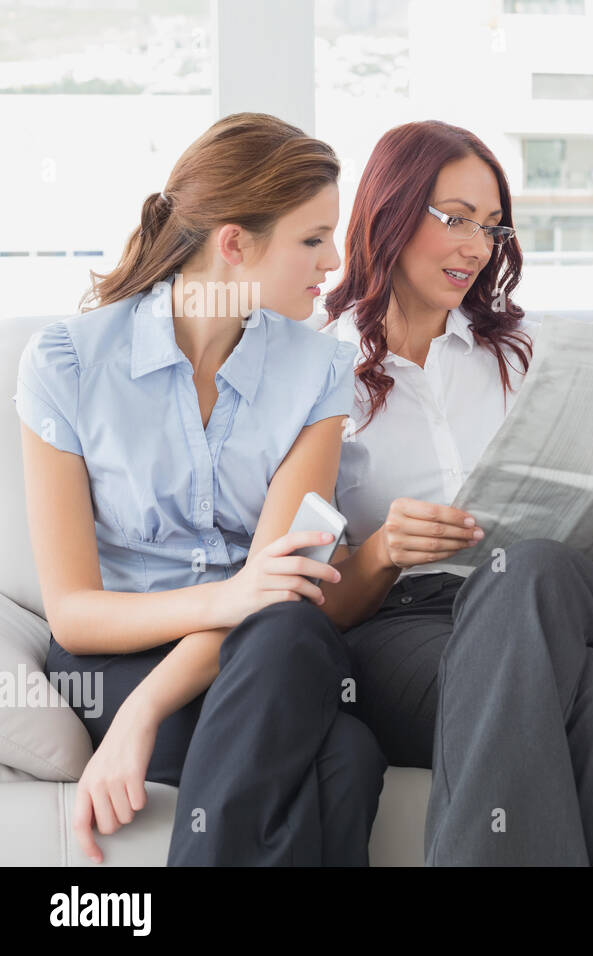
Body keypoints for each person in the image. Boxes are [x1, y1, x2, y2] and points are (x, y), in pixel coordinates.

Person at [319, 120, 593, 865]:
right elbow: (317, 601)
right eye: (455, 219)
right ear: (388, 208)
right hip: (405, 629)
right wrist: (382, 550)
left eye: (491, 228)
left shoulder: (526, 351)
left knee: (532, 570)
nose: (477, 248)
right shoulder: (319, 366)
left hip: (571, 599)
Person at [15, 112, 385, 865]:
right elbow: (76, 615)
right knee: (344, 757)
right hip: (116, 656)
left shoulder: (318, 372)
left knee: (284, 626)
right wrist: (223, 601)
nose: (335, 260)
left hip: (259, 652)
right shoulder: (67, 364)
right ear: (235, 244)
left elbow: (280, 589)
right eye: (312, 239)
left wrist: (146, 712)